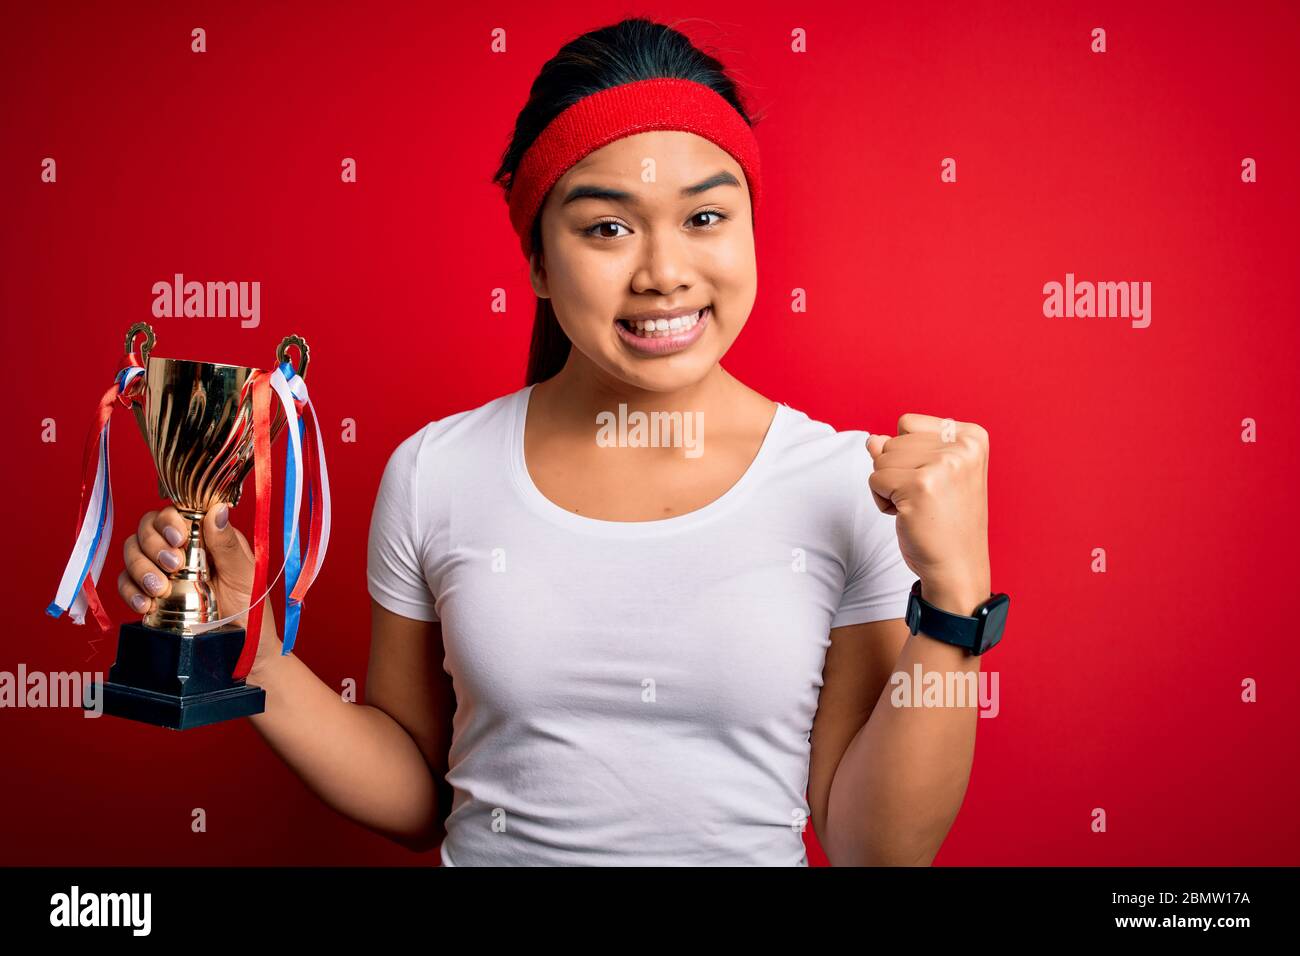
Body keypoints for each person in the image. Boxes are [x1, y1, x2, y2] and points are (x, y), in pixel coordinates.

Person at [115, 17, 993, 866]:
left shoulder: (848, 483)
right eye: (607, 227)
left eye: (704, 218)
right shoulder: (436, 473)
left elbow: (876, 849)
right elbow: (421, 792)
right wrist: (252, 652)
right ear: (537, 259)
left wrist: (955, 594)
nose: (663, 272)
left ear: (751, 228)